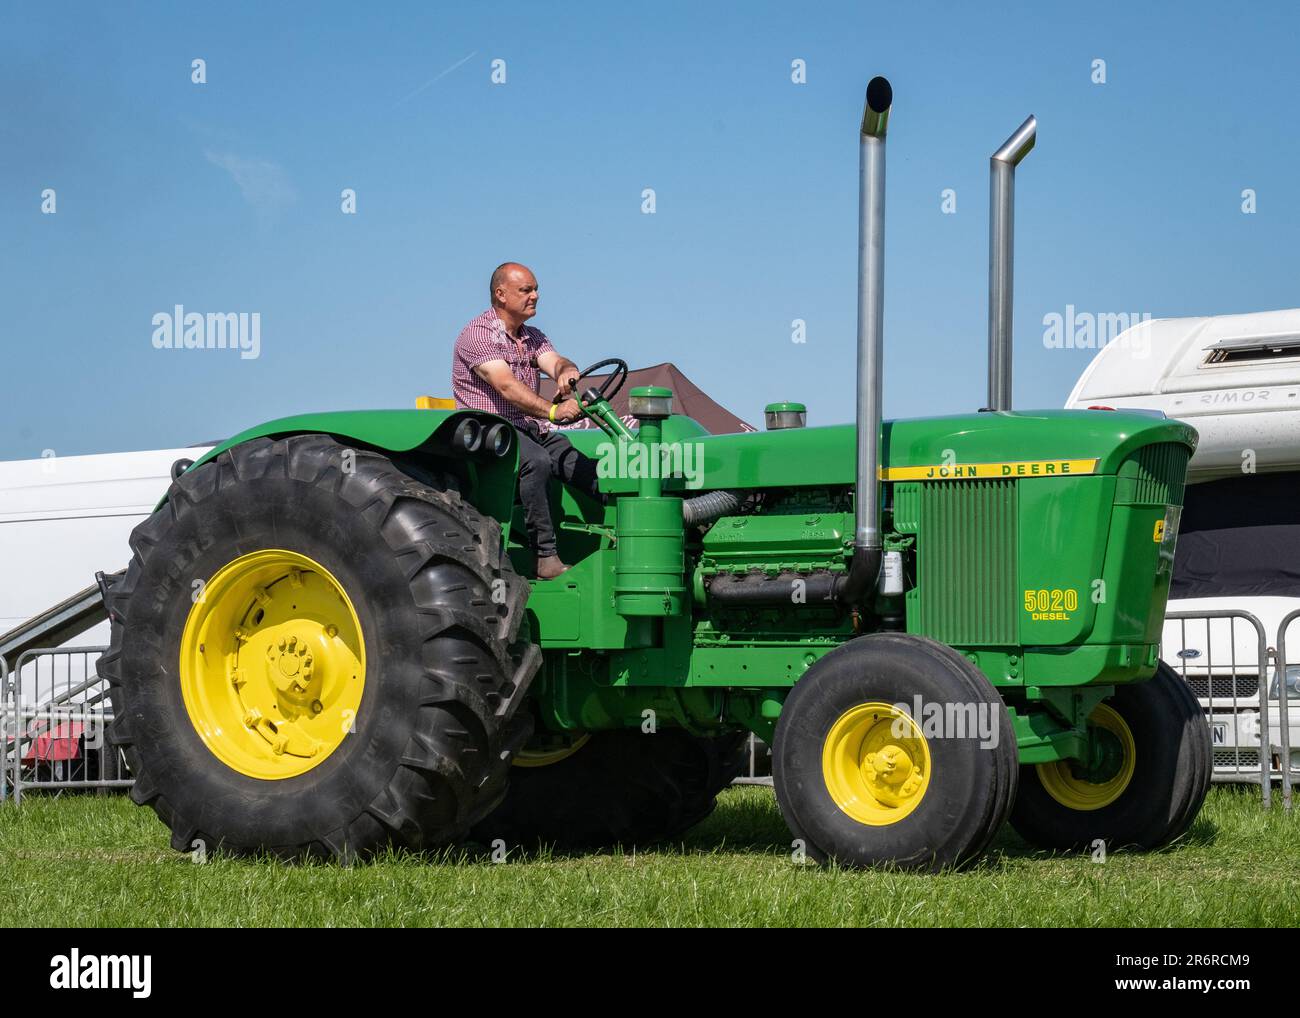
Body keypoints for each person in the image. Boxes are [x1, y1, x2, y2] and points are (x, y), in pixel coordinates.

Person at [451, 262, 604, 579]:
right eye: (526, 290)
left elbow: (557, 361)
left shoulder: (531, 337)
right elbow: (506, 386)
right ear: (501, 294)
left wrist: (566, 373)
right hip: (489, 433)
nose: (535, 296)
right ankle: (545, 557)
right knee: (536, 461)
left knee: (576, 463)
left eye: (536, 290)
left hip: (527, 428)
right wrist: (553, 411)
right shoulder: (477, 335)